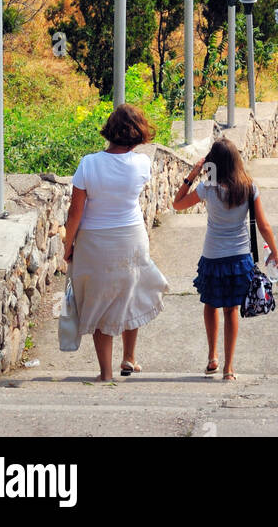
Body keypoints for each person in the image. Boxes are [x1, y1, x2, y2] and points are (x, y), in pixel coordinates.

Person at [63, 103, 169, 381]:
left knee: (100, 302)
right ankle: (130, 358)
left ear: (109, 130)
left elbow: (76, 213)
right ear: (138, 133)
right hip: (131, 237)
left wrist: (67, 245)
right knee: (130, 295)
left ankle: (105, 373)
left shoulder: (88, 164)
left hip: (94, 241)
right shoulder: (142, 164)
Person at [173, 136, 278, 380]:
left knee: (211, 304)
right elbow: (264, 225)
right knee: (231, 310)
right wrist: (274, 251)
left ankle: (213, 356)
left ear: (213, 162)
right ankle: (228, 368)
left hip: (212, 256)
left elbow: (177, 204)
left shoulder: (207, 188)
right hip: (239, 256)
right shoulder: (249, 187)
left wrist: (191, 175)